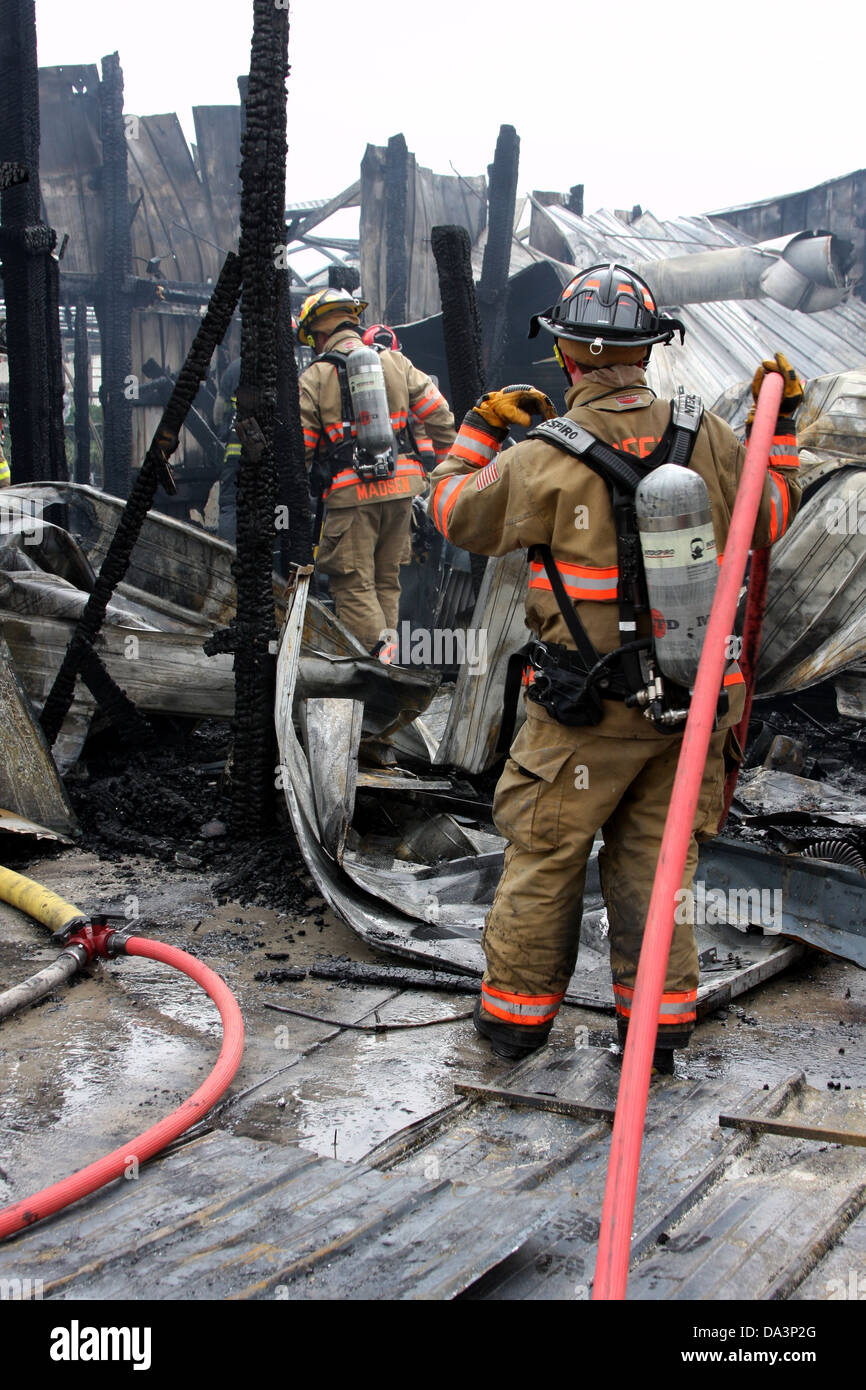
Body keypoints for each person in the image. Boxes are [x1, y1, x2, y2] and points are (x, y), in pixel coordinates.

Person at [428, 262, 802, 1067]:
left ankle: (515, 1026)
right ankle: (655, 1032)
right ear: (650, 350)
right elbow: (768, 517)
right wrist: (785, 436)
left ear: (565, 355)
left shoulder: (538, 457)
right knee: (658, 865)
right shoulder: (708, 432)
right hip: (694, 701)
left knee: (546, 856)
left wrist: (479, 435)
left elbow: (455, 515)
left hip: (584, 713)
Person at [298, 290, 455, 655]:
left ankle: (377, 673)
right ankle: (391, 661)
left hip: (351, 499)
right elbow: (440, 415)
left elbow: (300, 448)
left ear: (318, 335)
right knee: (387, 581)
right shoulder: (397, 362)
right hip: (402, 492)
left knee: (353, 585)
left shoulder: (316, 376)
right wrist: (447, 471)